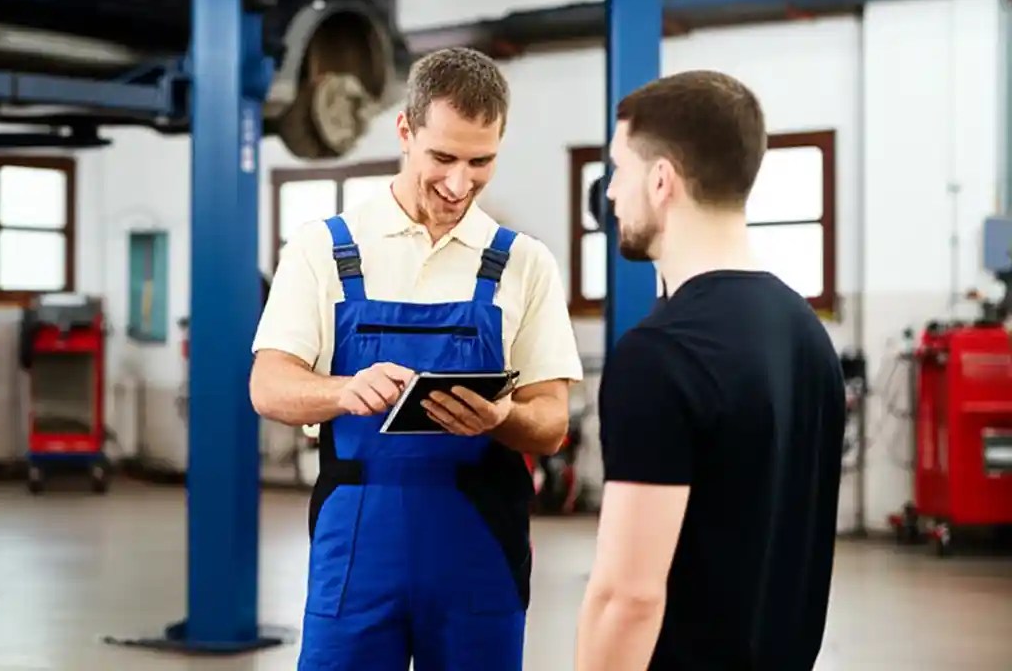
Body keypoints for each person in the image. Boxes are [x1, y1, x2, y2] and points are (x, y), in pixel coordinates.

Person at [250, 47, 583, 671]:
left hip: (478, 547)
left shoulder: (523, 263)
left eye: (481, 162)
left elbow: (551, 422)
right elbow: (268, 386)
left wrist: (502, 418)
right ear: (405, 131)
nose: (459, 184)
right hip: (356, 546)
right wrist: (342, 391)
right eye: (443, 158)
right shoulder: (324, 249)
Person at [573, 70, 846, 671]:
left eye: (618, 169)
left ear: (661, 179)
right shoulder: (806, 332)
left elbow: (628, 598)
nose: (611, 193)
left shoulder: (660, 354)